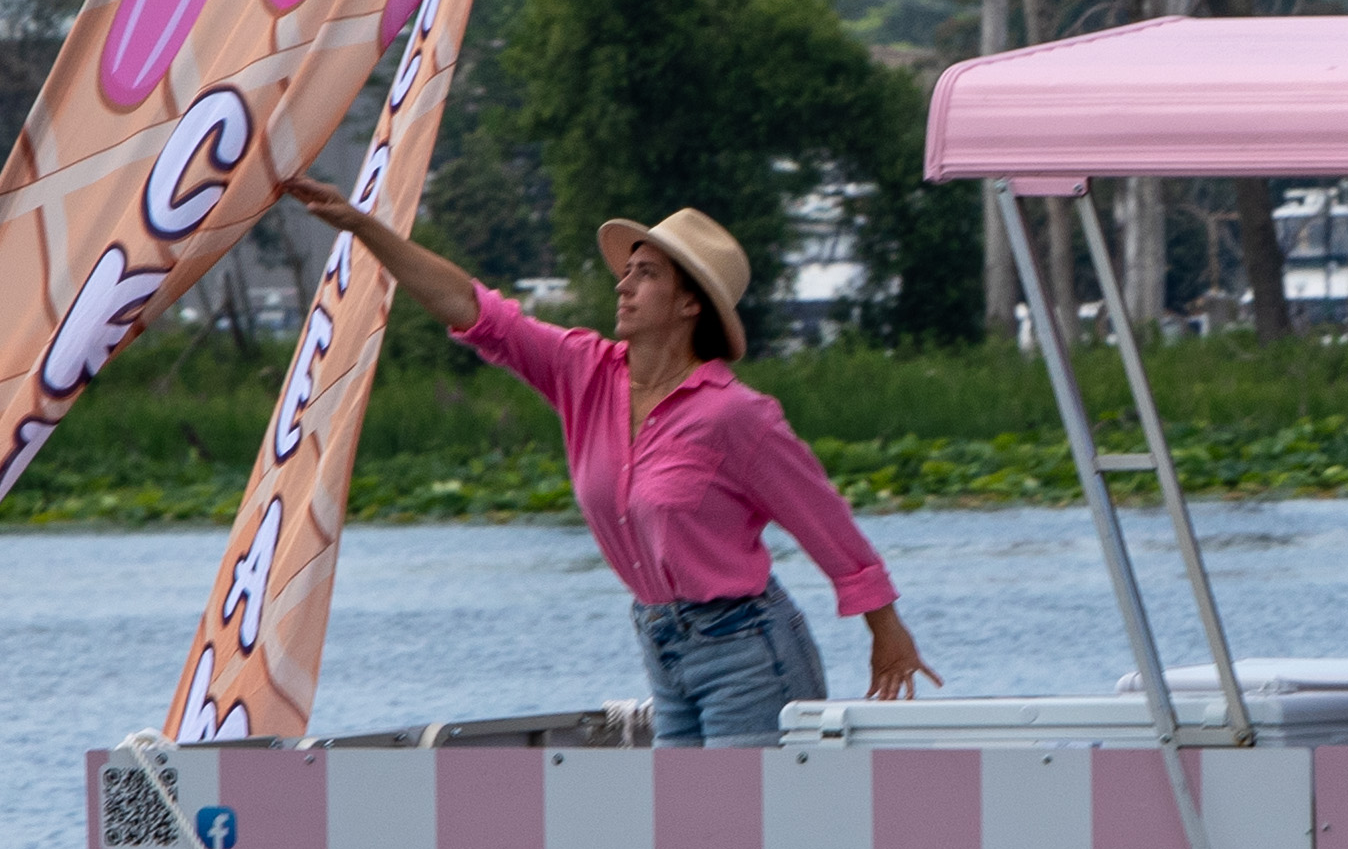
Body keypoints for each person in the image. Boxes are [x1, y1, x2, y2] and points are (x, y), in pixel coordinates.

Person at [289, 183, 937, 743]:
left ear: (690, 304)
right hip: (661, 640)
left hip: (748, 649)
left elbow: (823, 521)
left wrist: (886, 630)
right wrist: (363, 226)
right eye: (626, 271)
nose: (624, 285)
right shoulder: (584, 372)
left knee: (738, 843)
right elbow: (473, 309)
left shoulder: (735, 415)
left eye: (647, 274)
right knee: (686, 840)